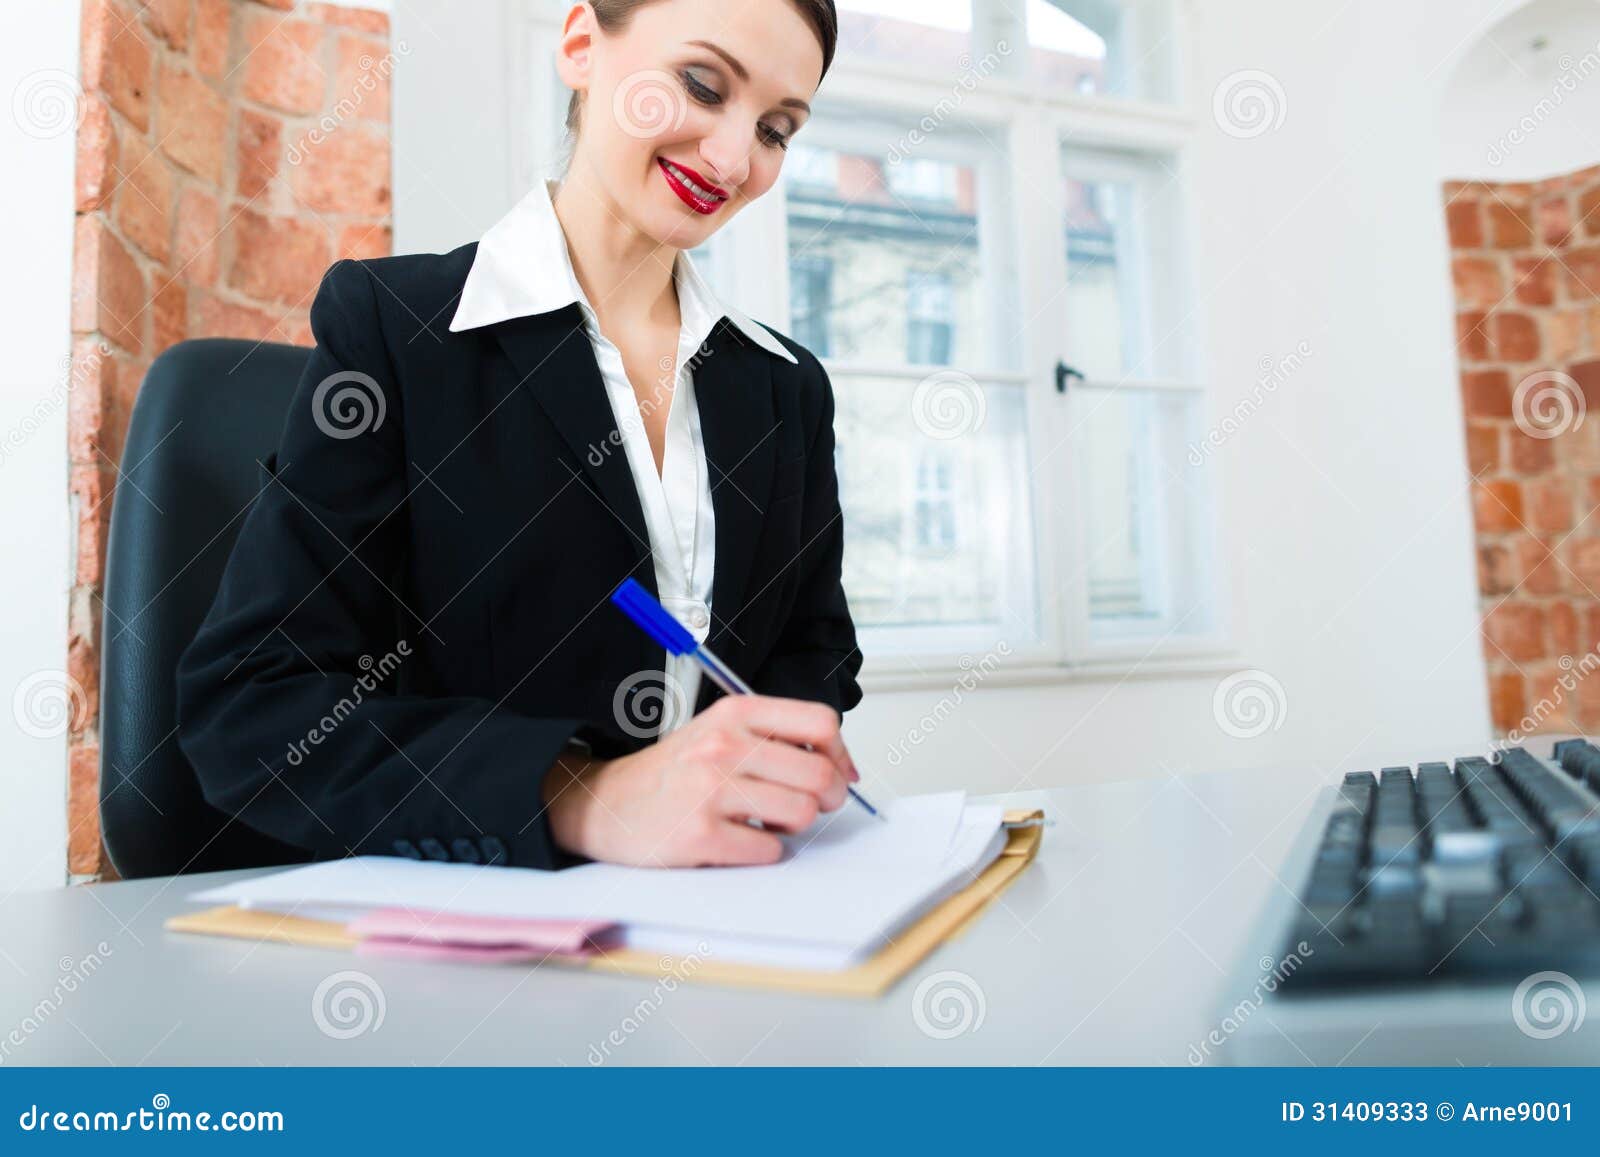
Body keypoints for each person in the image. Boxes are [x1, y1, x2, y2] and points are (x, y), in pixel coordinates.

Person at [175, 0, 861, 872]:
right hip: (480, 940)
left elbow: (816, 655)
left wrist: (778, 766)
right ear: (581, 44)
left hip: (735, 923)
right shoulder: (396, 329)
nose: (733, 159)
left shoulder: (786, 388)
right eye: (701, 84)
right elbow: (250, 706)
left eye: (774, 128)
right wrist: (585, 796)